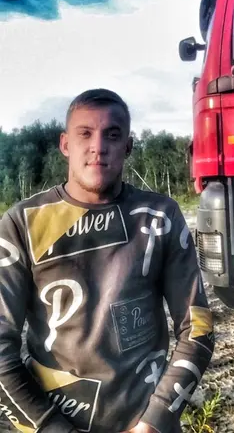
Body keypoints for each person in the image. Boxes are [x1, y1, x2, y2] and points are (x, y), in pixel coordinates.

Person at [0, 89, 214, 433]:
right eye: (85, 133)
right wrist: (50, 427)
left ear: (128, 146)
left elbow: (198, 328)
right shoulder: (21, 224)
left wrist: (156, 419)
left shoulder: (161, 217)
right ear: (65, 144)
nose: (98, 146)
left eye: (112, 135)